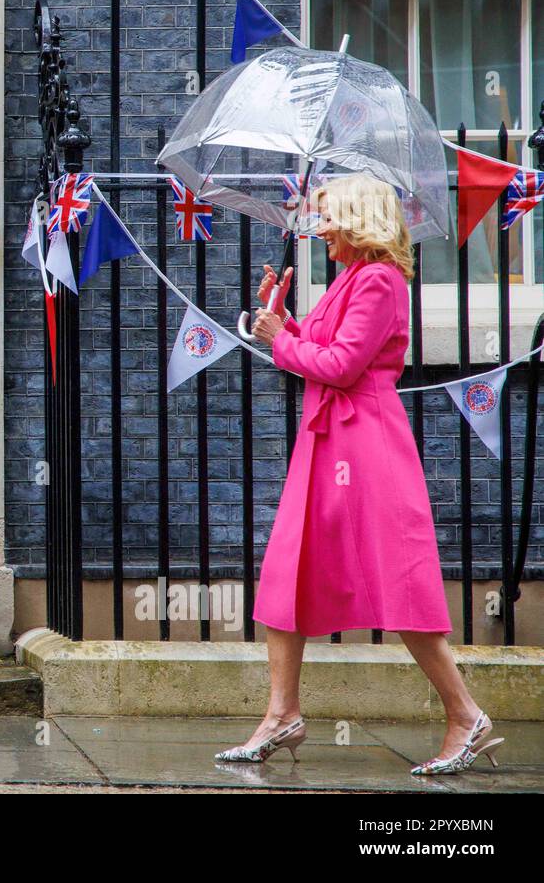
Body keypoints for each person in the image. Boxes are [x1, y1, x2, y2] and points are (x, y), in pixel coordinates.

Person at [215, 173, 504, 775]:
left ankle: (465, 715)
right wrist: (282, 320)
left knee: (394, 578)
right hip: (327, 442)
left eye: (328, 217)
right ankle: (281, 714)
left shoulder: (378, 280)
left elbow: (342, 367)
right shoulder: (351, 278)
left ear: (356, 221)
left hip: (363, 442)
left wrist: (279, 342)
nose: (320, 229)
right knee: (286, 570)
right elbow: (318, 350)